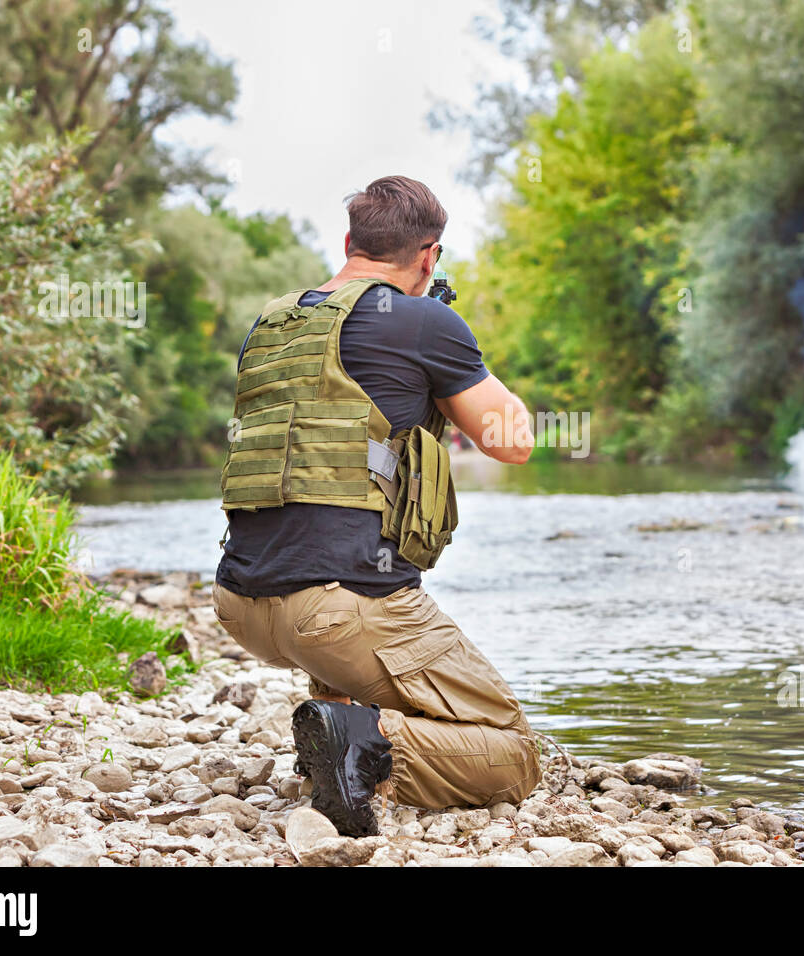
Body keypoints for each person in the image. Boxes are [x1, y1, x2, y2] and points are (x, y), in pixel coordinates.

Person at [211, 175, 542, 836]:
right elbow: (513, 442)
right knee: (513, 751)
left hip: (241, 600)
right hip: (337, 609)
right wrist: (448, 341)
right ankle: (353, 743)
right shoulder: (427, 320)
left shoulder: (271, 323)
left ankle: (339, 719)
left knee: (325, 537)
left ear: (349, 242)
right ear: (428, 257)